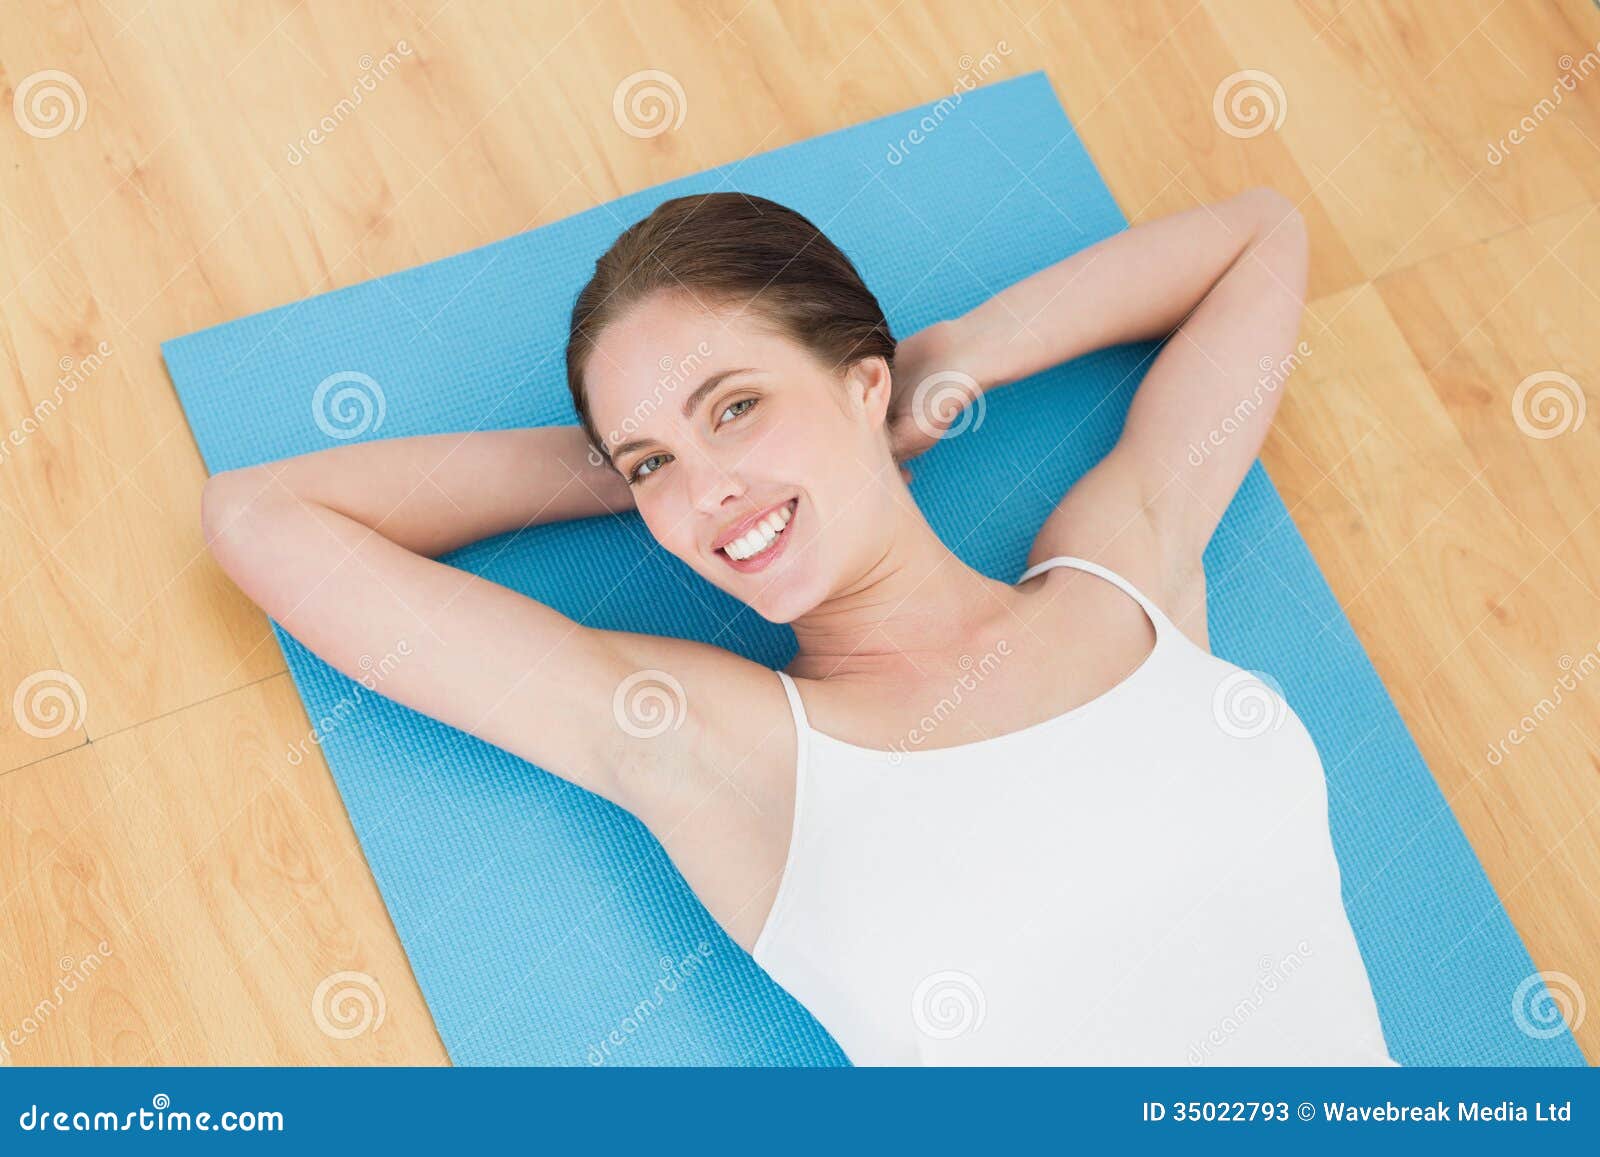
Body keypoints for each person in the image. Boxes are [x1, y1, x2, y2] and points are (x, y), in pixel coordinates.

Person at [202, 189, 1397, 1066]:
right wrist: (625, 466)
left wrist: (952, 359)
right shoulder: (713, 743)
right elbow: (259, 518)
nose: (705, 489)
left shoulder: (1120, 575)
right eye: (653, 460)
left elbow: (1258, 237)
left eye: (736, 406)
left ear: (862, 382)